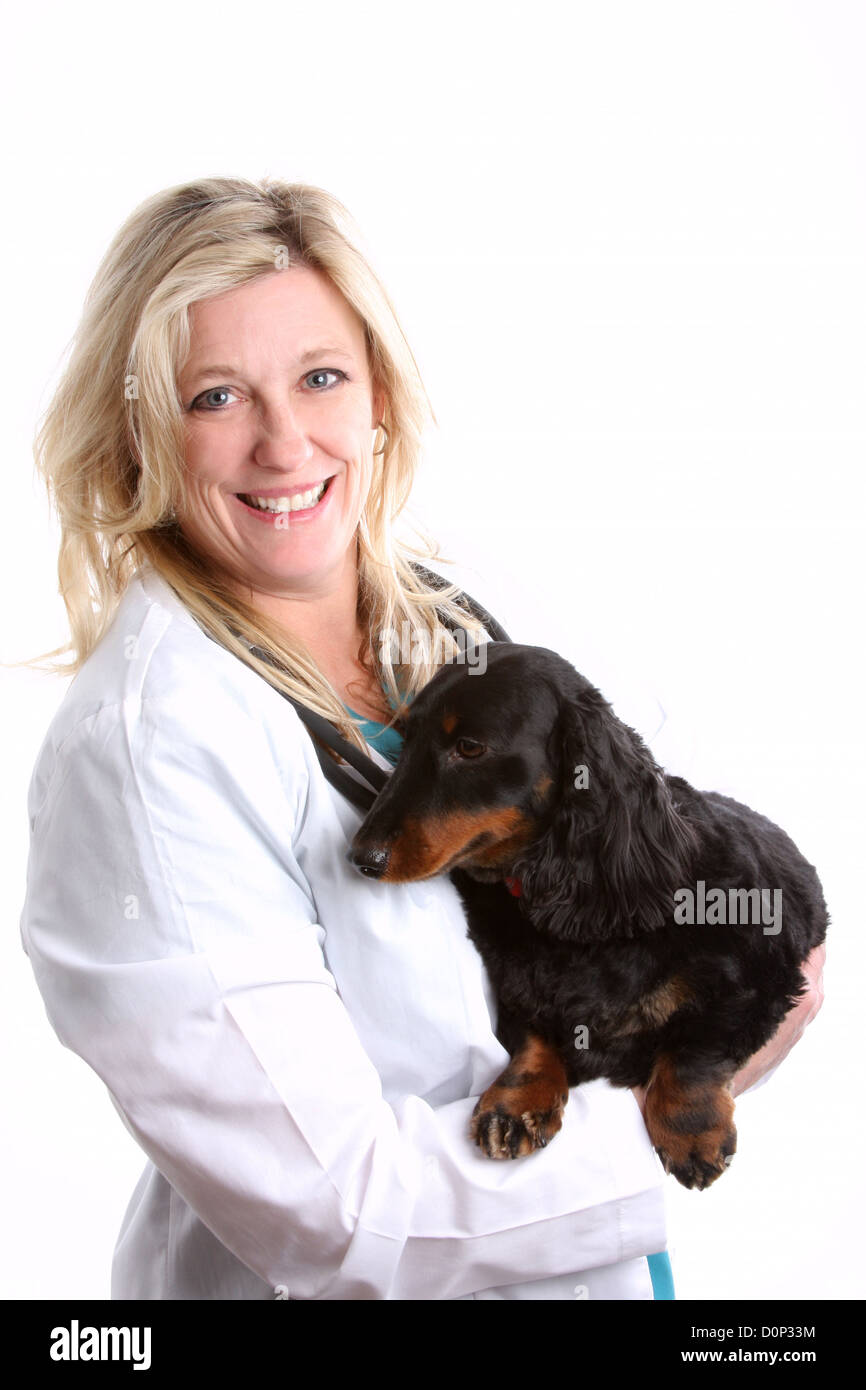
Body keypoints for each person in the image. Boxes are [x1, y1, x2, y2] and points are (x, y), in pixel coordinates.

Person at [19, 176, 825, 1301]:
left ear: (378, 396)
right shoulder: (147, 750)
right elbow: (334, 1214)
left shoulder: (482, 611)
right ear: (138, 430)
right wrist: (718, 1063)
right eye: (214, 396)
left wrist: (740, 954)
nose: (283, 443)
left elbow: (677, 860)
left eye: (319, 378)